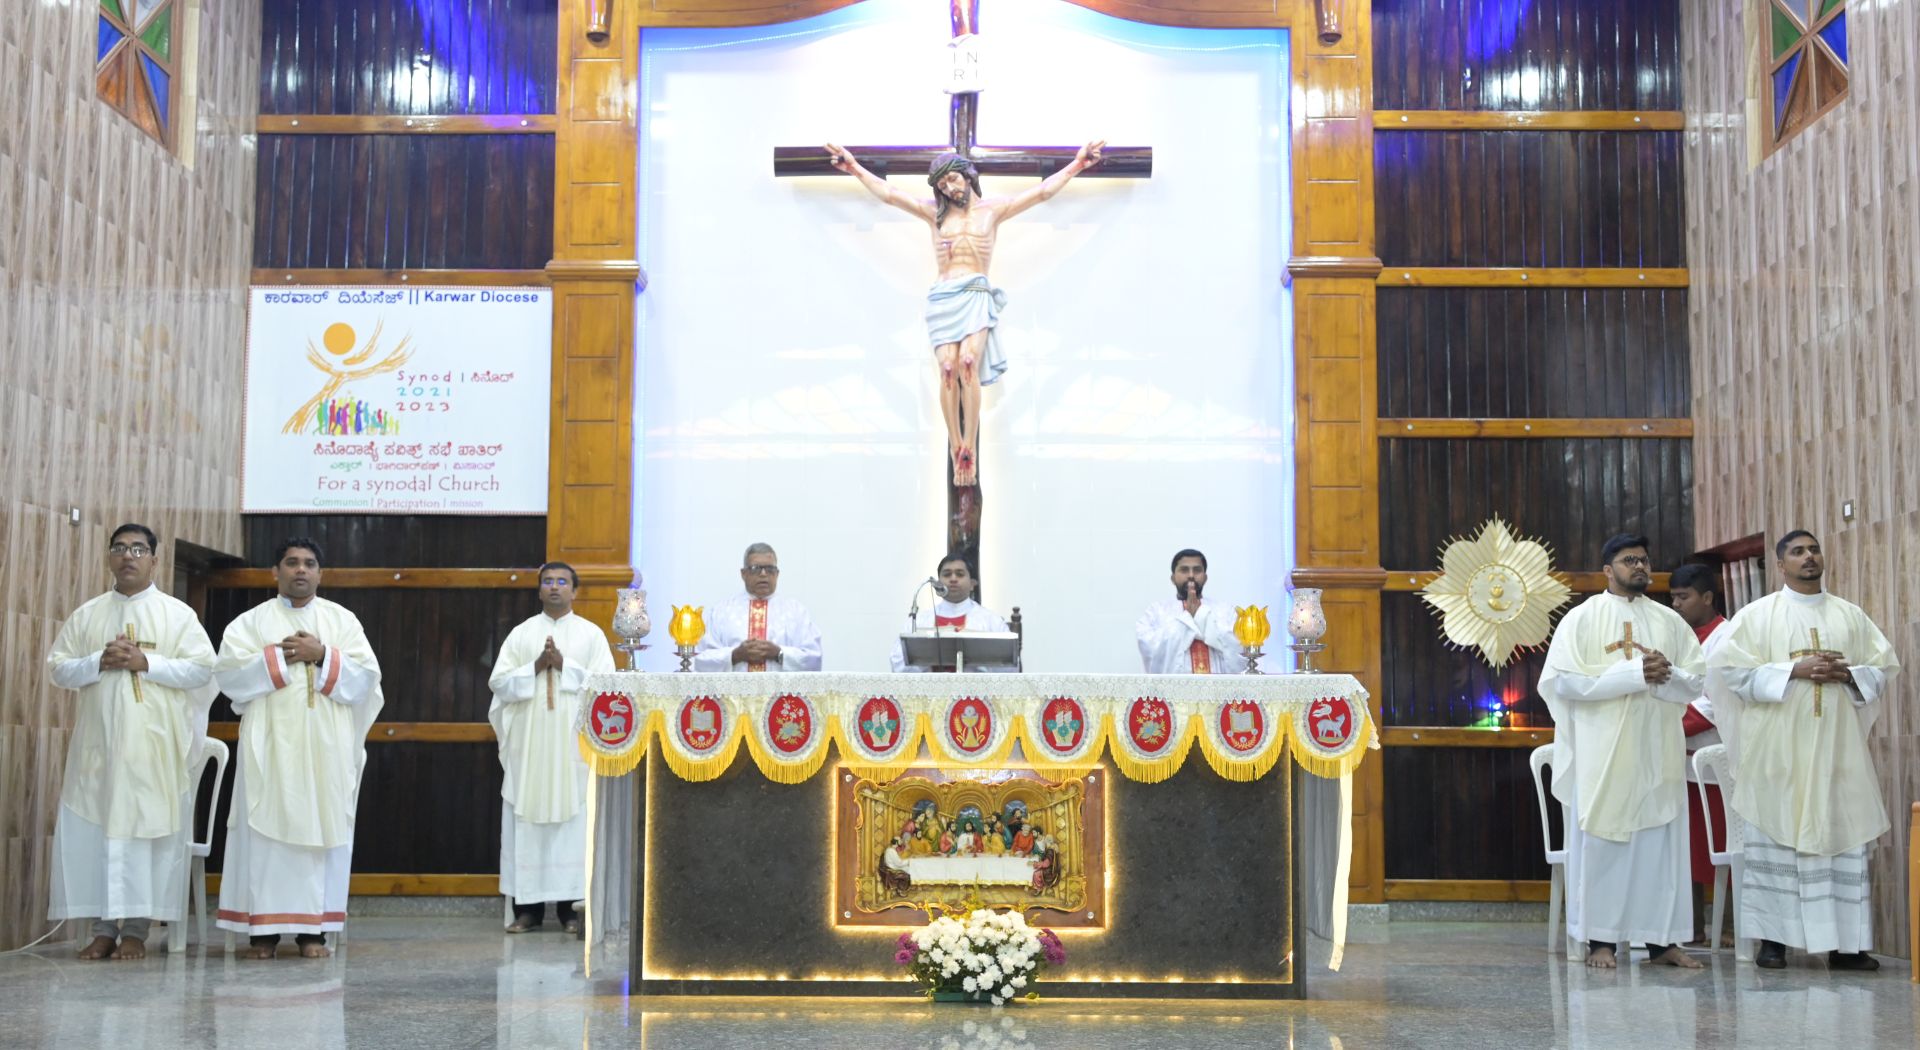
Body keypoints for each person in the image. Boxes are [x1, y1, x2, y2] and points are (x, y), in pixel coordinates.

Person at [823, 140, 1104, 486]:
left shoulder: (992, 211)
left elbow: (1042, 193)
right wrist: (853, 168)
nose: (949, 188)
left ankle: (969, 443)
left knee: (968, 364)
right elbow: (890, 194)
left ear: (967, 175)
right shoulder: (934, 214)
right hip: (944, 297)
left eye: (952, 179)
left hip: (974, 293)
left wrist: (1077, 165)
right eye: (942, 185)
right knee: (946, 369)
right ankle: (956, 445)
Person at [1709, 530, 1900, 970]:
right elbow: (1727, 674)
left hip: (1837, 752)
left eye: (1814, 549)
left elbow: (1882, 666)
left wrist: (1850, 675)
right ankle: (1774, 942)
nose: (1809, 556)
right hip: (1777, 754)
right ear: (1781, 565)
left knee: (1840, 836)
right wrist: (1793, 669)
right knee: (1777, 838)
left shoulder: (1849, 616)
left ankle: (1846, 945)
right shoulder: (1758, 617)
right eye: (1797, 551)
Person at [46, 524, 218, 960]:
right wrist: (97, 661)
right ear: (109, 557)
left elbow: (203, 670)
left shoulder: (177, 615)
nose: (129, 556)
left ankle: (138, 930)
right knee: (101, 834)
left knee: (145, 836)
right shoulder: (88, 615)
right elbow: (58, 669)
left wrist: (148, 662)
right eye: (120, 548)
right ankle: (102, 930)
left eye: (138, 549)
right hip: (98, 749)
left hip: (152, 749)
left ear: (154, 561)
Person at [1538, 534, 1705, 969]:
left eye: (1645, 560)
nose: (1640, 566)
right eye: (1629, 560)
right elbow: (1563, 682)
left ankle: (1661, 942)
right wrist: (1633, 673)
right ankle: (1601, 942)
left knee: (1658, 845)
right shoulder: (1582, 618)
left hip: (1656, 750)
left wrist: (1664, 676)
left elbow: (1697, 680)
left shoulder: (1670, 621)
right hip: (1602, 753)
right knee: (1605, 845)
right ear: (1608, 570)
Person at [214, 538, 383, 959]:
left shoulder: (342, 621)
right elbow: (229, 678)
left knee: (320, 833)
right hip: (268, 747)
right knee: (265, 836)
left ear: (320, 574)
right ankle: (263, 935)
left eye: (309, 564)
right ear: (276, 572)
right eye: (291, 563)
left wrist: (323, 653)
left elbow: (367, 681)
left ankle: (314, 934)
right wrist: (282, 657)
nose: (300, 570)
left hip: (325, 748)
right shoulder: (248, 624)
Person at [486, 561, 615, 934]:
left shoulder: (591, 635)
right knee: (526, 821)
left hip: (572, 747)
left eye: (562, 582)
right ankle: (526, 910)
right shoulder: (521, 634)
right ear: (539, 590)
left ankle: (569, 910)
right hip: (530, 747)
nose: (555, 587)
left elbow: (606, 687)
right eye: (548, 582)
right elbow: (500, 684)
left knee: (573, 822)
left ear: (575, 591)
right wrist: (536, 667)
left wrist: (565, 666)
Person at [1667, 562, 1732, 945]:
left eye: (1683, 596)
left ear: (1707, 598)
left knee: (1723, 846)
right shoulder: (1683, 637)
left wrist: (1665, 729)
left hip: (1714, 760)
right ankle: (1689, 928)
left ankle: (1727, 928)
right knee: (1688, 849)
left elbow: (1712, 704)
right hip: (1683, 761)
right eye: (1672, 597)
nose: (1676, 604)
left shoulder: (1725, 638)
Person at [693, 543, 823, 673]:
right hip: (734, 693)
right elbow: (701, 659)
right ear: (743, 574)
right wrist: (735, 655)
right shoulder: (721, 612)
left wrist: (779, 653)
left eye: (770, 569)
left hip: (782, 693)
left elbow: (814, 659)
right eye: (755, 568)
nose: (763, 574)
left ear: (777, 574)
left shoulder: (796, 612)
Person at [890, 553, 1014, 672]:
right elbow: (897, 663)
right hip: (928, 692)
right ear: (937, 583)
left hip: (975, 692)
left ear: (972, 584)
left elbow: (1011, 668)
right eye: (947, 574)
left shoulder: (991, 621)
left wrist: (978, 662)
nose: (953, 579)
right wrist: (925, 658)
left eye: (960, 574)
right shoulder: (920, 621)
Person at [1135, 549, 1248, 674]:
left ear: (1205, 577)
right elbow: (1151, 648)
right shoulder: (1156, 611)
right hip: (1174, 690)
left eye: (1197, 570)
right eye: (1184, 570)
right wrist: (1188, 619)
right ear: (1173, 578)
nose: (1191, 575)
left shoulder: (1225, 610)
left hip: (1217, 689)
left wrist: (1201, 616)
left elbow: (1238, 645)